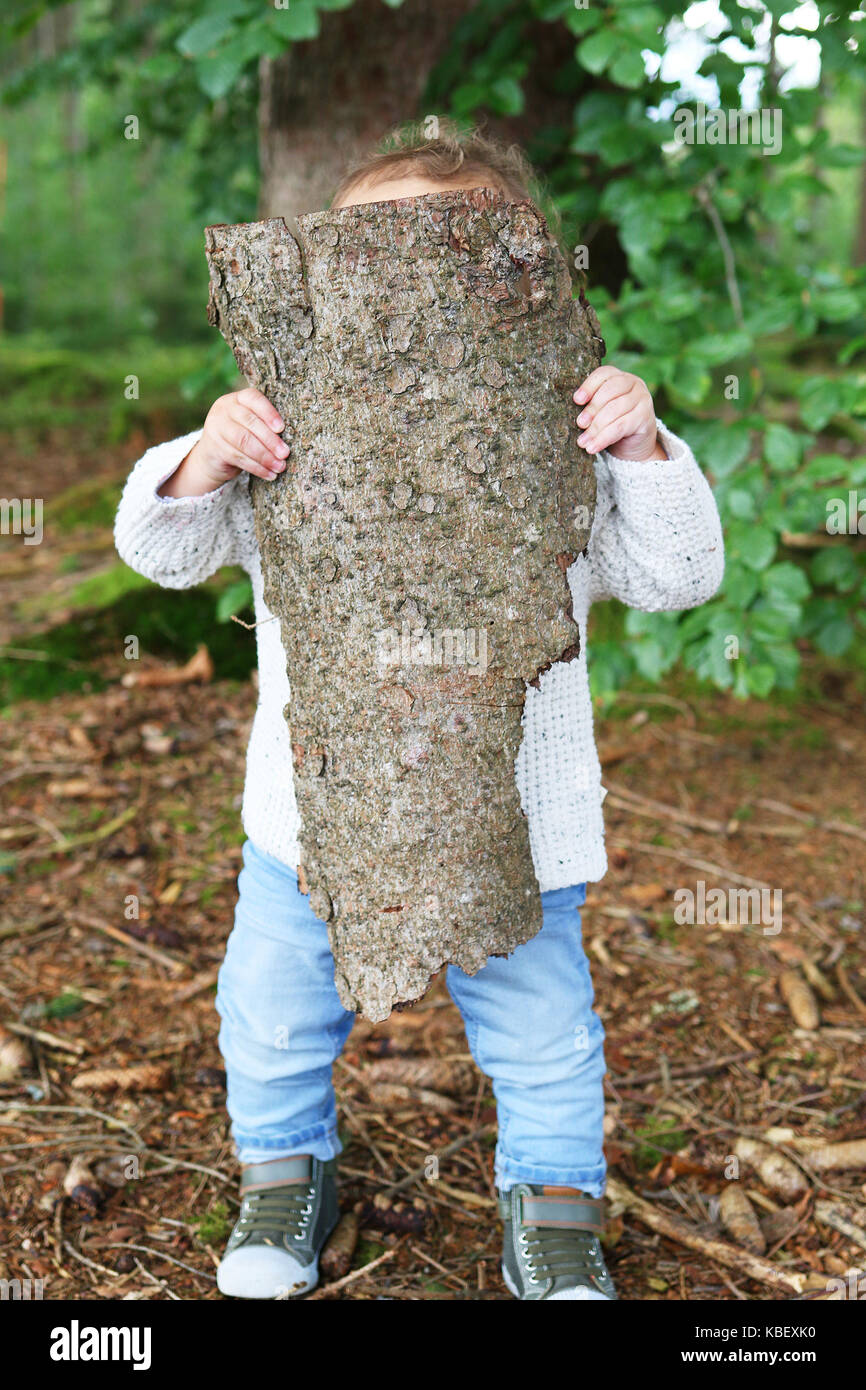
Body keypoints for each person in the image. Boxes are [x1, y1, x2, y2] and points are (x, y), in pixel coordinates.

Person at [114, 124, 724, 1301]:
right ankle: (285, 1175)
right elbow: (157, 550)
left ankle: (551, 1202)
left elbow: (679, 573)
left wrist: (638, 443)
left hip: (520, 840)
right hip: (309, 836)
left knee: (543, 1035)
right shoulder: (297, 442)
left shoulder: (550, 437)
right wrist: (208, 450)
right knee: (272, 1013)